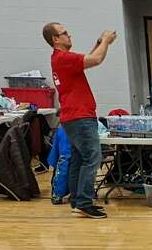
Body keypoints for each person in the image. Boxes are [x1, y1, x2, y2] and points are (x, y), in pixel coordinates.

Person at [42, 22, 116, 219]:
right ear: (55, 39)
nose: (69, 35)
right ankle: (83, 203)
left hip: (72, 117)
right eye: (64, 33)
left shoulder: (60, 59)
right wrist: (106, 41)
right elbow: (96, 59)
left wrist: (99, 43)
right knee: (92, 157)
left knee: (79, 159)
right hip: (80, 116)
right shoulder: (63, 58)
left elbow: (87, 60)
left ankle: (77, 201)